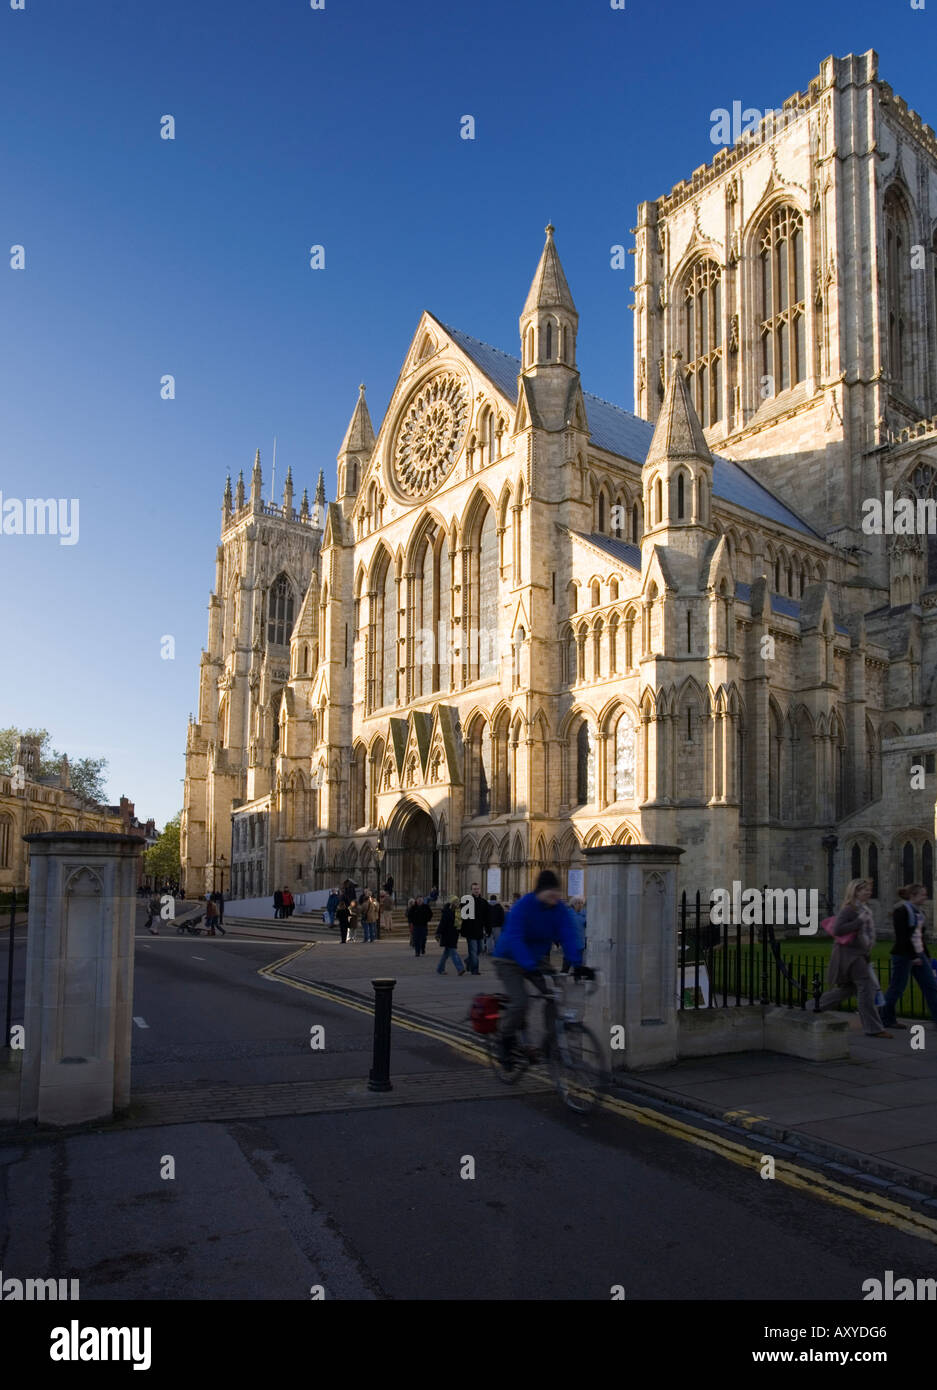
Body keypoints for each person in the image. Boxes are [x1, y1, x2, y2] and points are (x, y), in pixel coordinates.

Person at [492, 870, 593, 1065]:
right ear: (540, 892)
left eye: (557, 893)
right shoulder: (523, 906)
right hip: (508, 959)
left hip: (535, 959)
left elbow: (568, 935)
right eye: (551, 894)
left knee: (554, 995)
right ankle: (505, 1039)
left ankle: (552, 1038)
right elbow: (515, 938)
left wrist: (578, 964)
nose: (555, 898)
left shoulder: (558, 909)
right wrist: (528, 966)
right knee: (521, 1001)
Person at [818, 879, 892, 1037]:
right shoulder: (849, 910)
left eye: (868, 889)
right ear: (855, 892)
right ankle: (874, 1028)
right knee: (867, 989)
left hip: (859, 954)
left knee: (848, 989)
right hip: (851, 956)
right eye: (864, 890)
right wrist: (858, 922)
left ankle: (812, 1006)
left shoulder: (863, 908)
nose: (868, 892)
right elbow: (838, 930)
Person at [880, 883, 937, 1028]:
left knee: (931, 986)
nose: (925, 897)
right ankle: (887, 1018)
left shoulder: (919, 912)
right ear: (913, 896)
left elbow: (919, 936)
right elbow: (902, 937)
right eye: (923, 894)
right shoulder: (901, 911)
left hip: (918, 953)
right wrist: (913, 956)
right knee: (897, 988)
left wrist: (925, 954)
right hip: (903, 955)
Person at [461, 882, 488, 975]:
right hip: (470, 931)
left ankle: (468, 961)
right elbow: (463, 917)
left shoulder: (484, 902)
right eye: (474, 889)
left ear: (480, 890)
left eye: (477, 889)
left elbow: (487, 917)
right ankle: (475, 970)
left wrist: (487, 929)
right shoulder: (467, 902)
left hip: (479, 930)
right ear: (471, 890)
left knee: (480, 949)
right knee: (473, 950)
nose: (476, 890)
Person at [436, 895, 466, 976]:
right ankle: (460, 968)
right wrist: (438, 933)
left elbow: (460, 924)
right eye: (455, 902)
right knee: (453, 952)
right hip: (447, 935)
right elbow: (442, 924)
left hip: (454, 935)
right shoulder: (446, 912)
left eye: (458, 902)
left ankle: (440, 969)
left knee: (446, 954)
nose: (457, 903)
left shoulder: (458, 912)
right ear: (452, 903)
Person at [564, 897, 587, 973]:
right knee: (567, 963)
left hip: (580, 943)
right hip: (570, 943)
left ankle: (577, 979)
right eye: (578, 903)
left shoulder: (584, 914)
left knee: (578, 963)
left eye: (581, 903)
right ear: (573, 904)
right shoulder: (568, 913)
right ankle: (562, 977)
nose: (580, 905)